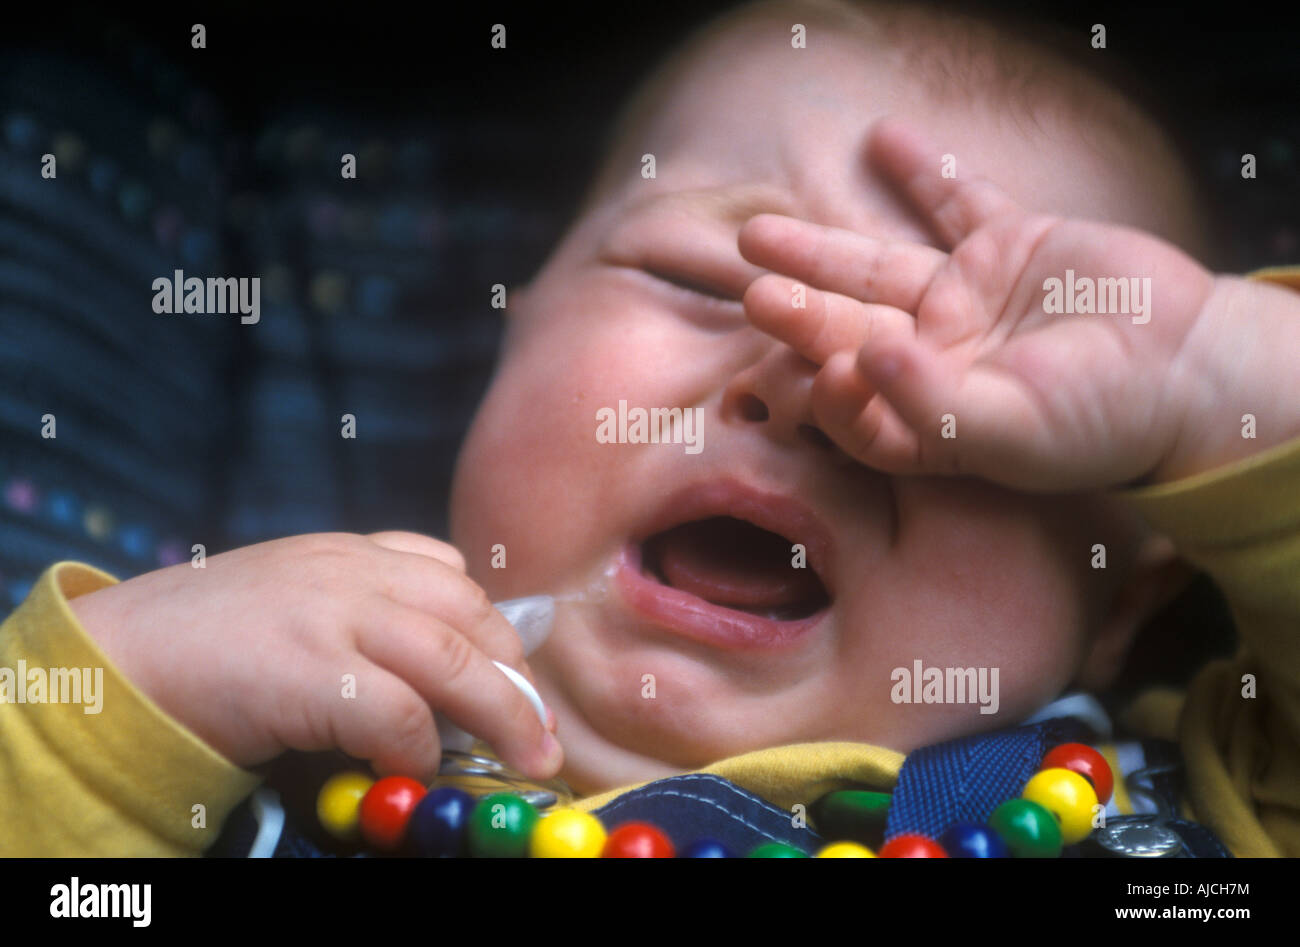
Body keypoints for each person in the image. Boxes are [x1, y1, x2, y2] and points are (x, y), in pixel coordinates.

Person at [4, 0, 1298, 856]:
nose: (811, 388)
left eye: (980, 381)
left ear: (1129, 594)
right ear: (505, 347)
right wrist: (122, 707)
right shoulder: (244, 757)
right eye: (701, 281)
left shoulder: (1199, 806)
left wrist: (1203, 365)